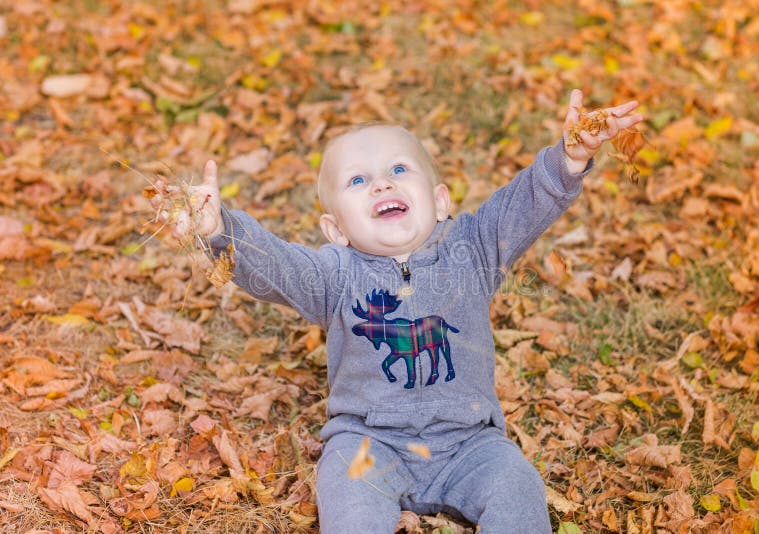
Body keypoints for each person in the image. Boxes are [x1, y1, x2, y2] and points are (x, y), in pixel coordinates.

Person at [152, 89, 642, 533]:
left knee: (518, 486)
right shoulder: (334, 276)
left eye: (398, 170)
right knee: (345, 490)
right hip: (369, 446)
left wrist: (569, 158)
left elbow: (523, 204)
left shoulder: (473, 251)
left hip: (471, 445)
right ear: (336, 229)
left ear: (440, 200)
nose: (382, 185)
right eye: (359, 180)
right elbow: (274, 265)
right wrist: (219, 231)